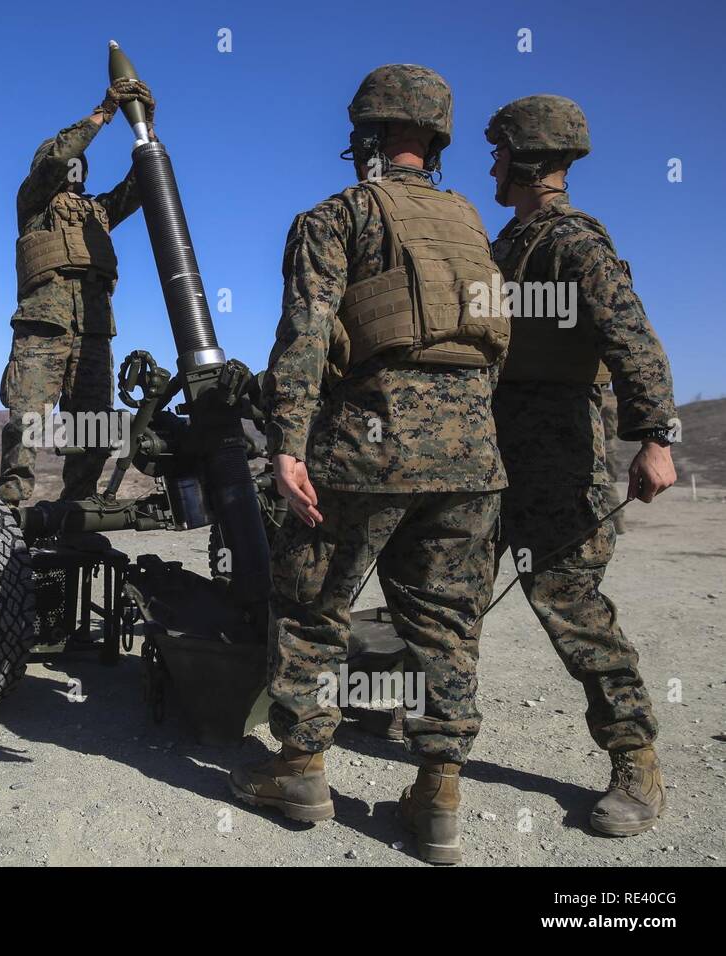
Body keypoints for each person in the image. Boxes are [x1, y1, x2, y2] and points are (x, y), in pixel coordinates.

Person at [230, 65, 508, 865]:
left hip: (368, 449)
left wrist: (286, 444)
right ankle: (437, 799)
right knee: (448, 626)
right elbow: (493, 347)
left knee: (313, 606)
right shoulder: (470, 223)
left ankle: (302, 771)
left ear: (369, 135)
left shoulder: (337, 216)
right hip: (471, 460)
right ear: (435, 138)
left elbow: (306, 338)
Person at [486, 94, 678, 836]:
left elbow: (630, 335)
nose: (493, 165)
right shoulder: (509, 243)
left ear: (528, 157)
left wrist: (655, 436)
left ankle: (635, 756)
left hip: (557, 456)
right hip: (487, 449)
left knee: (569, 605)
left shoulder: (573, 243)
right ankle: (435, 735)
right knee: (451, 592)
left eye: (501, 151)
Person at [0, 78, 154, 506]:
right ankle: (11, 496)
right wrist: (103, 112)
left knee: (93, 423)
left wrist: (146, 131)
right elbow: (58, 157)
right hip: (43, 327)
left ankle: (78, 505)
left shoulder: (97, 212)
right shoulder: (34, 203)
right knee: (27, 416)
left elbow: (143, 186)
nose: (74, 165)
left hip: (95, 332)